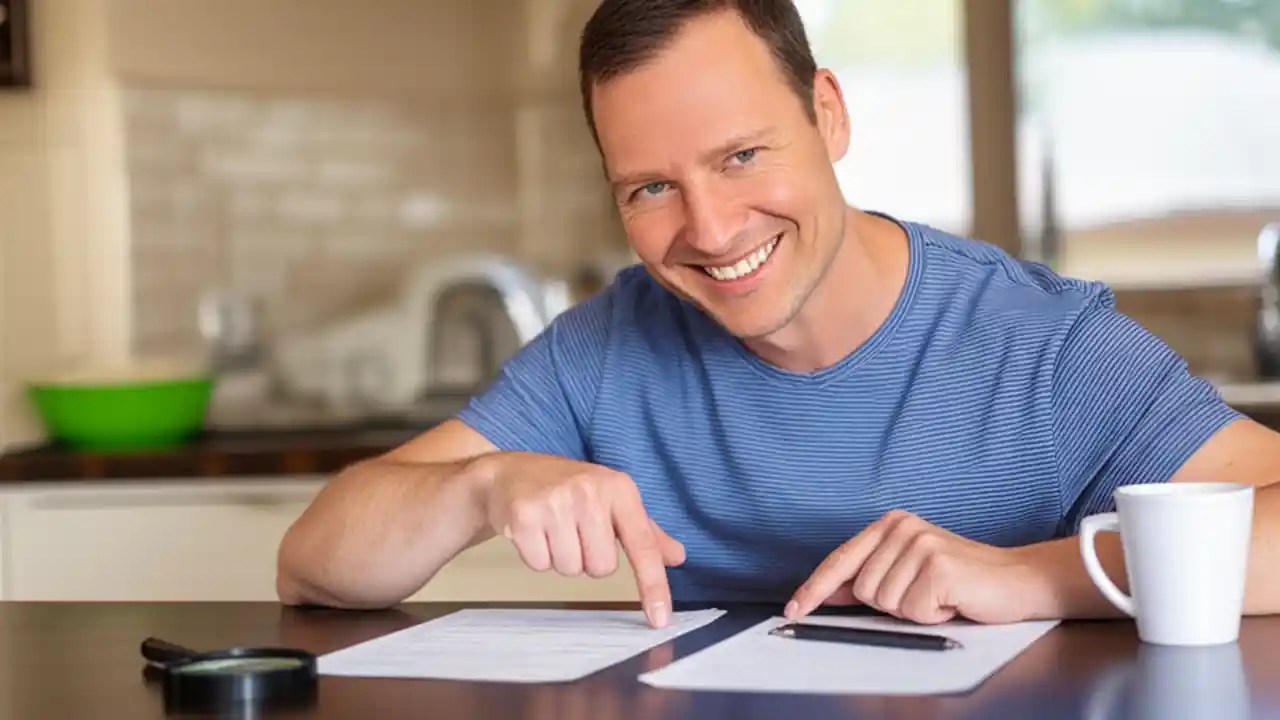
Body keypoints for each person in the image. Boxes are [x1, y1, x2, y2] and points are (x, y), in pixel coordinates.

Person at [277, 0, 1280, 629]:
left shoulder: (1043, 346)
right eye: (650, 188)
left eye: (741, 156)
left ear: (827, 114)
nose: (711, 230)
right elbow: (313, 566)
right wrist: (479, 488)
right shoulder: (605, 348)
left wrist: (1029, 578)